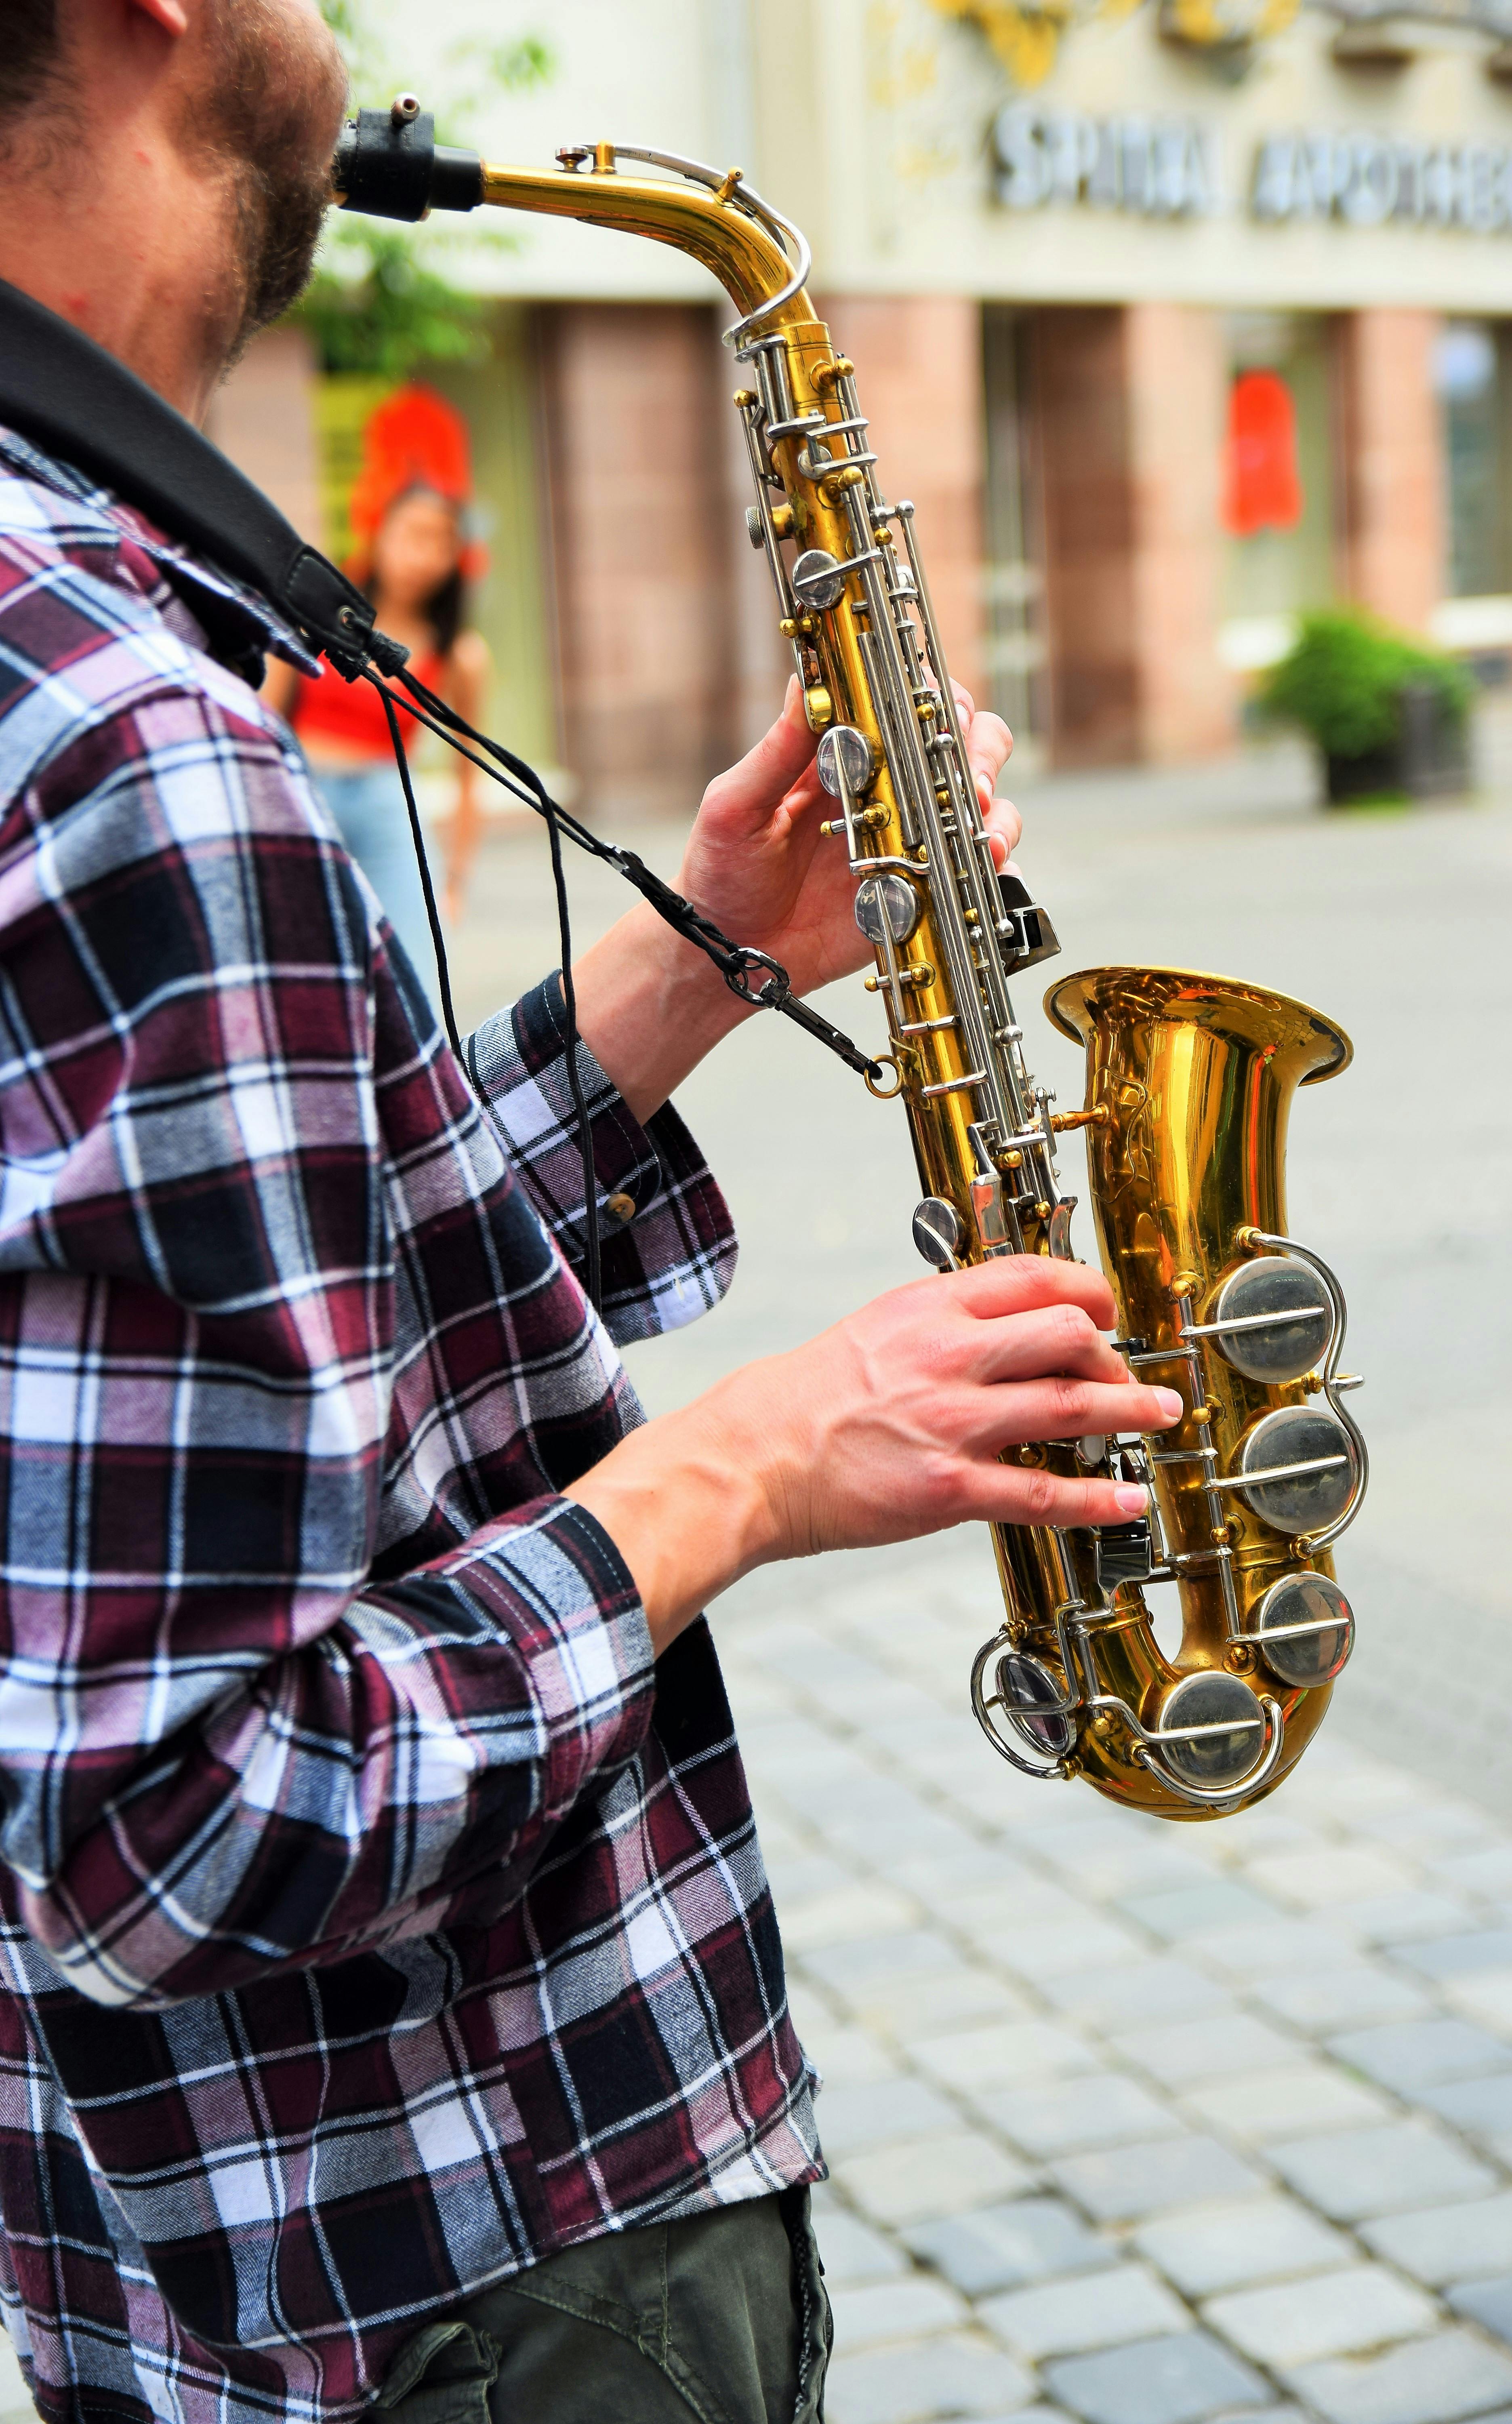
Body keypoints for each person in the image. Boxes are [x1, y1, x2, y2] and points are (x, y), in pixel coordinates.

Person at [0, 7, 1179, 2424]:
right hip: (469, 2255)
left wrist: (685, 960)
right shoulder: (125, 740)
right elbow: (165, 1832)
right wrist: (742, 1462)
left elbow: (257, 1344)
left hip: (191, 2263)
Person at [264, 386, 491, 987]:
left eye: (440, 540)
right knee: (305, 969)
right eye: (411, 533)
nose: (423, 554)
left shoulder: (459, 654)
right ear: (379, 531)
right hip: (304, 792)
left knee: (413, 975)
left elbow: (472, 775)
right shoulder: (323, 616)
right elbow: (264, 715)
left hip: (390, 804)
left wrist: (456, 882)